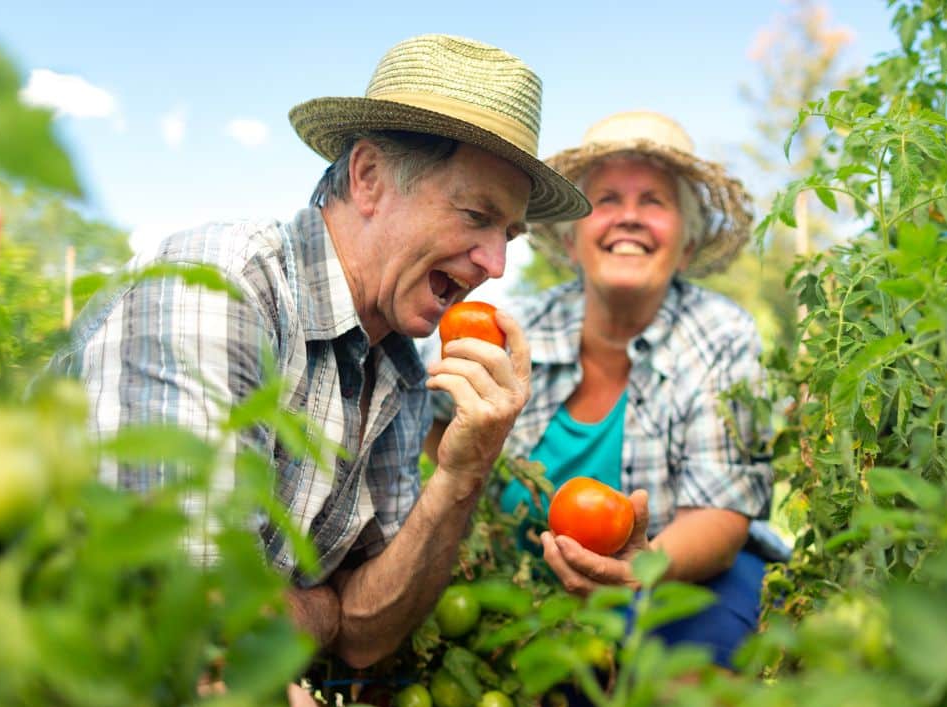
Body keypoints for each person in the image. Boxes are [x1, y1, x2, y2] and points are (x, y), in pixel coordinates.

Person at [54, 34, 589, 671]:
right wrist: (321, 609)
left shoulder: (401, 371)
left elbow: (367, 634)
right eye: (476, 215)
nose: (497, 265)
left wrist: (460, 474)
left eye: (508, 234)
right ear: (367, 178)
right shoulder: (221, 292)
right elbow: (188, 618)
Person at [429, 111, 788, 668]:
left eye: (654, 201)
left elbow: (721, 514)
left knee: (683, 696)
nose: (629, 219)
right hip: (521, 588)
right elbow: (428, 424)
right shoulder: (509, 328)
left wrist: (638, 570)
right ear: (571, 242)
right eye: (607, 200)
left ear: (686, 246)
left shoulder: (721, 333)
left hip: (677, 580)